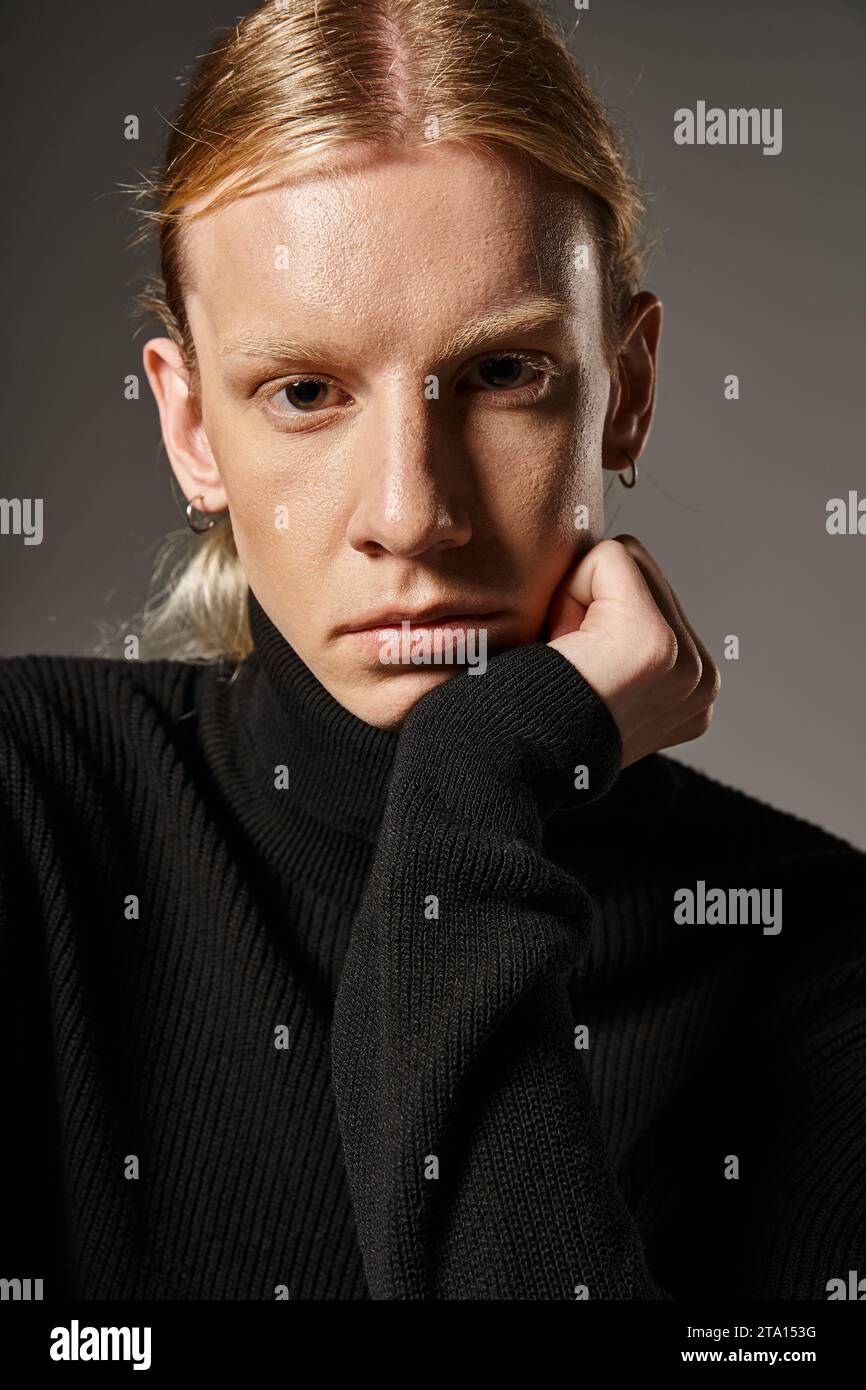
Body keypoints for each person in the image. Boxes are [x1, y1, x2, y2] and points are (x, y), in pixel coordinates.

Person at [1, 0, 863, 1301]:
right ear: (189, 429)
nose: (411, 512)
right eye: (303, 391)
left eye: (503, 373)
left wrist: (474, 784)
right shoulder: (29, 804)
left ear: (625, 389)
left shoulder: (821, 957)